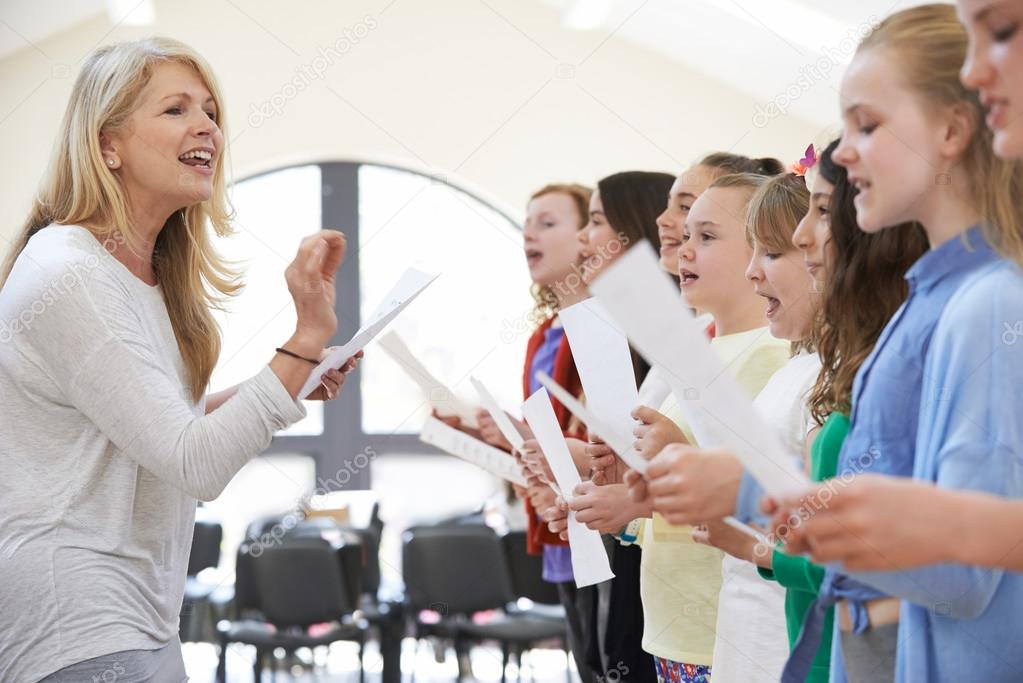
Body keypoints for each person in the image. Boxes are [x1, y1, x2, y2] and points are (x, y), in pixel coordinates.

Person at [0, 38, 357, 682]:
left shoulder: (138, 275)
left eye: (211, 111)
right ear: (107, 144)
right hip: (76, 617)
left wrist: (294, 374)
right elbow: (196, 462)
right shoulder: (69, 271)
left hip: (136, 613)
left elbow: (167, 427)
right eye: (175, 109)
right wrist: (303, 336)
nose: (207, 128)